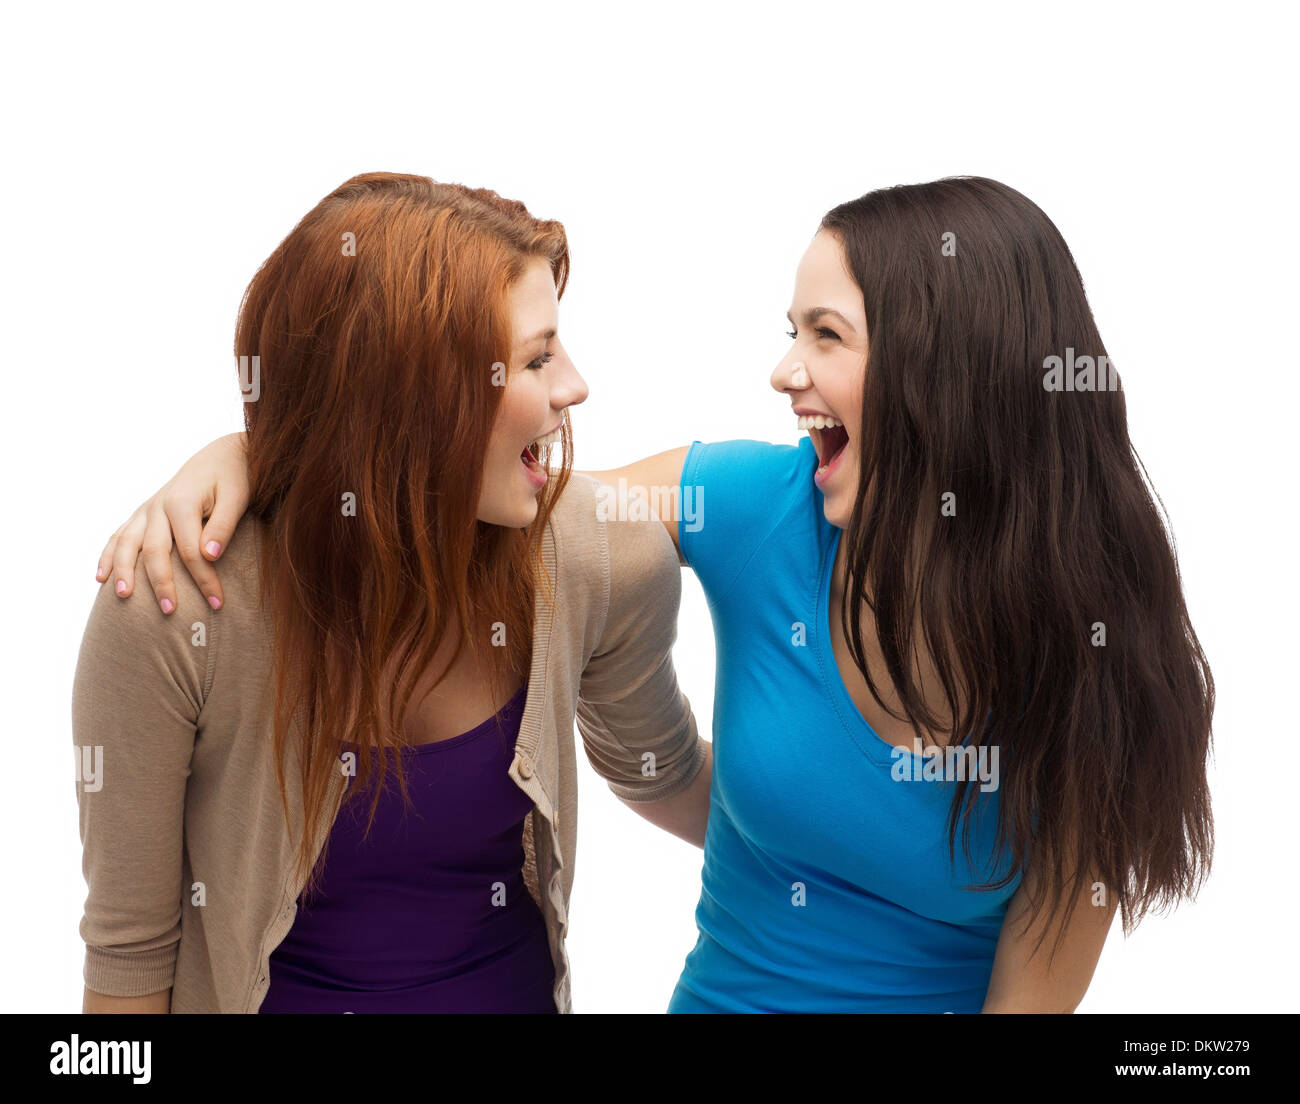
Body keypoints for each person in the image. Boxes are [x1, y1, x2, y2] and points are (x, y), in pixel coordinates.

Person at [100, 176, 1214, 1013]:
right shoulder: (750, 508)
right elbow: (477, 490)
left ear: (947, 375)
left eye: (826, 336)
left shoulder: (1101, 667)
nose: (784, 372)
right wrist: (257, 457)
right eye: (792, 333)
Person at [74, 171, 711, 1014]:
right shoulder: (174, 600)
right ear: (415, 398)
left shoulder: (593, 553)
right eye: (536, 357)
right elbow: (127, 965)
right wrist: (251, 451)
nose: (574, 387)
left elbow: (671, 778)